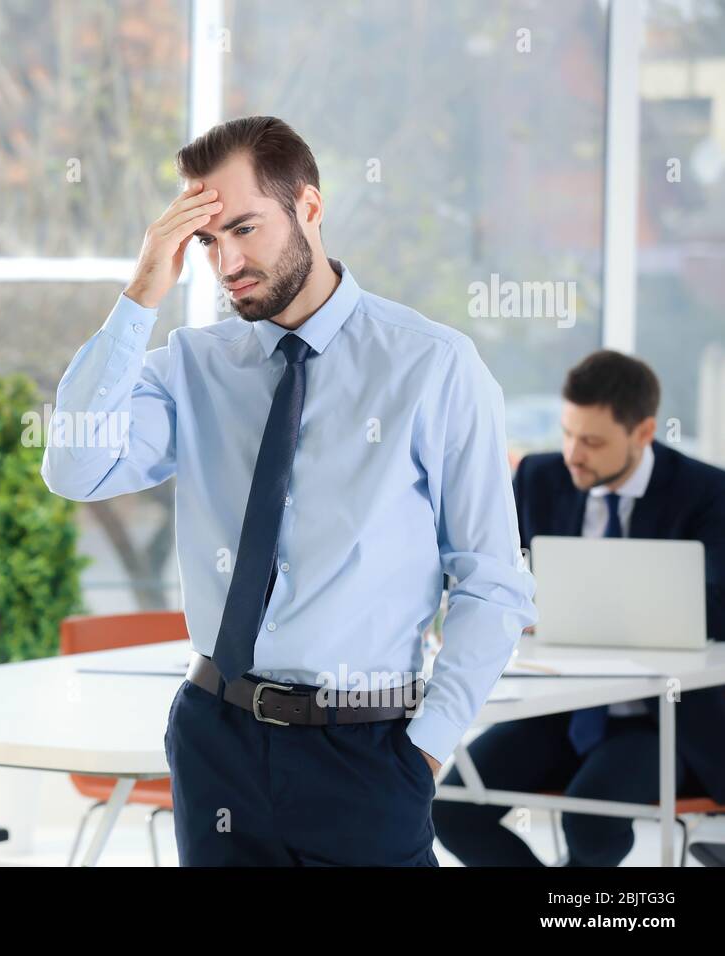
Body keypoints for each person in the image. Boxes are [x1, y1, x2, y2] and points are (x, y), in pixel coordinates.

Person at [42, 115, 537, 866]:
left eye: (244, 227)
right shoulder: (194, 366)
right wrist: (141, 292)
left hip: (369, 754)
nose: (227, 261)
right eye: (207, 241)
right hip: (218, 740)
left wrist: (426, 752)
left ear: (309, 206)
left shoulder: (432, 367)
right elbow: (74, 468)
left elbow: (492, 583)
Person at [433, 350, 725, 866]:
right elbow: (498, 581)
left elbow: (719, 612)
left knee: (589, 821)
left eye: (592, 441)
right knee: (452, 808)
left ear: (643, 432)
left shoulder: (706, 492)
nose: (573, 454)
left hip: (660, 718)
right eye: (568, 434)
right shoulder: (538, 478)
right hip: (561, 707)